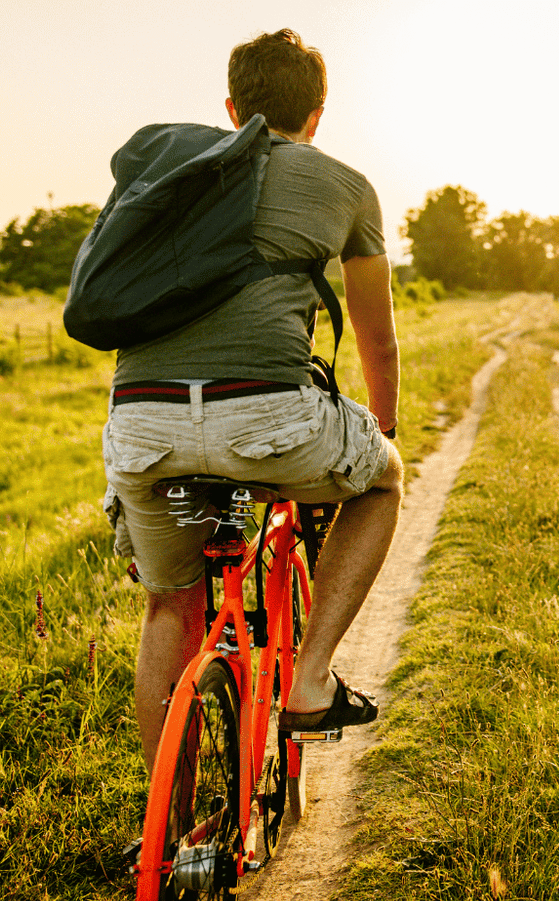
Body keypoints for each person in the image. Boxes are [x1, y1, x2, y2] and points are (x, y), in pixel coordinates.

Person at [98, 29, 401, 771]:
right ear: (319, 112)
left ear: (233, 108)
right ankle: (309, 679)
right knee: (384, 477)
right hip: (267, 422)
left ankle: (169, 823)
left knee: (170, 606)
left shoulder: (175, 176)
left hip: (142, 426)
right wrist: (382, 431)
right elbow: (378, 341)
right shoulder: (348, 185)